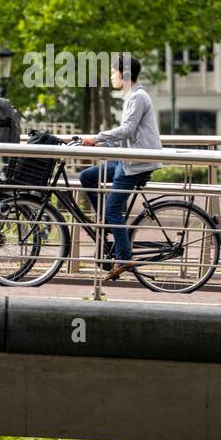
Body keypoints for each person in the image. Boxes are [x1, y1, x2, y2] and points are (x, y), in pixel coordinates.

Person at [79, 54, 162, 282]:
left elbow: (127, 130)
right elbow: (128, 137)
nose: (111, 76)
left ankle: (124, 258)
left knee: (113, 211)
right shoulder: (131, 96)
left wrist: (97, 137)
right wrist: (99, 143)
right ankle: (108, 223)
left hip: (135, 163)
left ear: (124, 74)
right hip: (126, 158)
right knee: (86, 177)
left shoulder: (138, 97)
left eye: (113, 72)